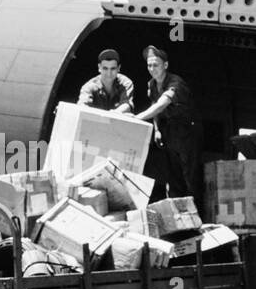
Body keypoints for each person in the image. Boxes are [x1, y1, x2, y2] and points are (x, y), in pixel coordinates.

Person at [134, 44, 202, 208]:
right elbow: (155, 105)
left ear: (165, 65)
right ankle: (177, 213)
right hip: (170, 133)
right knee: (173, 176)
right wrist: (157, 129)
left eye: (156, 65)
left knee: (190, 175)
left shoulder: (175, 83)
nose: (152, 69)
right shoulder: (152, 84)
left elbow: (161, 105)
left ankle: (198, 212)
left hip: (187, 133)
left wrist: (137, 118)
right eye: (149, 65)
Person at [77, 48, 135, 114]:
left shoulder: (125, 83)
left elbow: (126, 104)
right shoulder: (89, 86)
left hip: (116, 118)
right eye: (105, 68)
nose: (109, 73)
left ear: (118, 68)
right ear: (99, 68)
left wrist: (114, 113)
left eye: (113, 68)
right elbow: (82, 105)